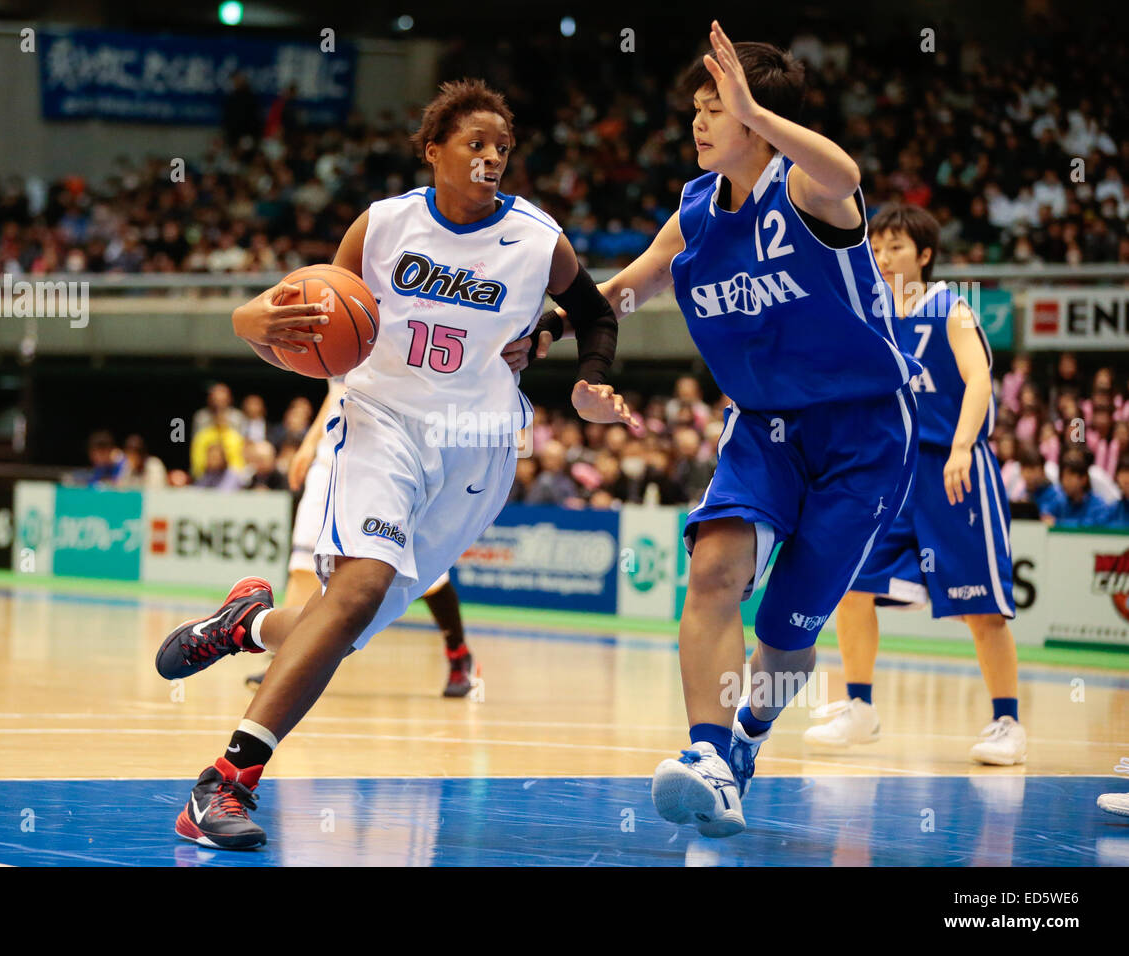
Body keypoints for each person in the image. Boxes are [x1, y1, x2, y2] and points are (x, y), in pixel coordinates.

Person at [155, 78, 637, 850]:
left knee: (341, 629)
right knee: (358, 588)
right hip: (381, 421)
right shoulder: (382, 226)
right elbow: (298, 321)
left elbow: (595, 312)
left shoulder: (538, 240)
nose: (490, 158)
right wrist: (248, 320)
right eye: (475, 144)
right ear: (433, 151)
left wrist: (593, 374)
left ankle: (248, 626)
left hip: (480, 449)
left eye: (502, 148)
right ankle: (224, 782)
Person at [510, 27, 919, 837]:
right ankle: (706, 754)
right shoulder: (695, 215)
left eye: (715, 110)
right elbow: (622, 292)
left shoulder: (807, 191)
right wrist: (556, 333)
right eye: (696, 110)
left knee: (785, 636)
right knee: (714, 569)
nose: (698, 124)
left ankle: (746, 742)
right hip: (764, 426)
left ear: (756, 116)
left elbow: (849, 173)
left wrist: (756, 113)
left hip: (864, 433)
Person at [805, 204, 1026, 765]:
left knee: (984, 608)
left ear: (924, 255)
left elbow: (979, 380)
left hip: (952, 468)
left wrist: (959, 447)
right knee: (851, 585)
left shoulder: (951, 309)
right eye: (875, 248)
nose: (882, 256)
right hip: (889, 471)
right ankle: (860, 708)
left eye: (895, 246)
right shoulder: (869, 315)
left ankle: (1007, 722)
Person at [242, 377, 481, 698]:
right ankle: (285, 661)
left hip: (388, 458)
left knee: (426, 574)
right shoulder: (341, 335)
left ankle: (458, 654)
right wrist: (310, 444)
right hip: (331, 456)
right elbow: (337, 390)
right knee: (302, 565)